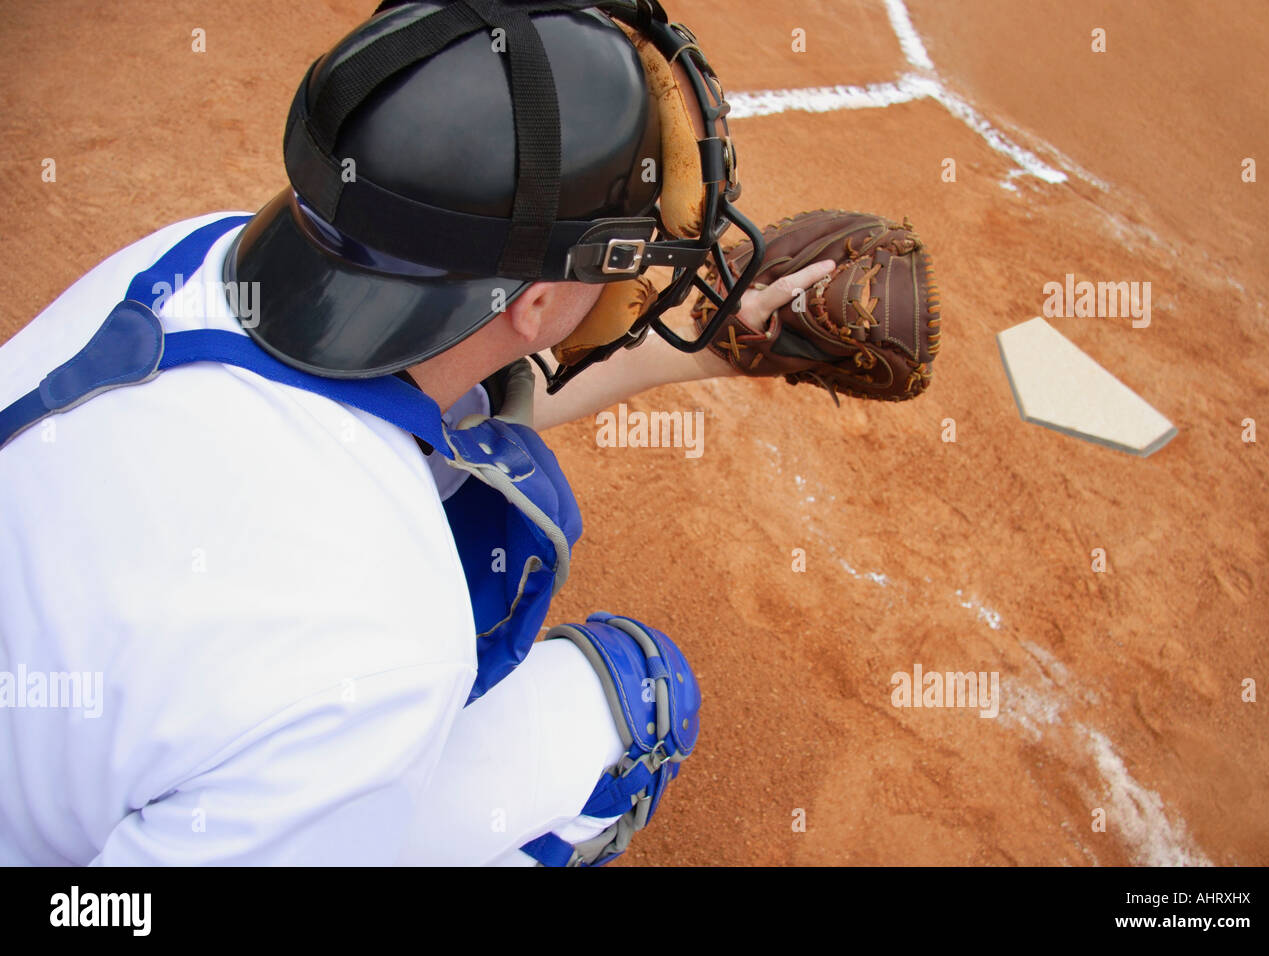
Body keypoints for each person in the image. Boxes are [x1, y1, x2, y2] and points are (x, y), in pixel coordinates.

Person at [0, 0, 833, 865]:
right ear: (539, 304)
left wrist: (718, 352)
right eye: (626, 245)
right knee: (638, 702)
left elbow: (458, 378)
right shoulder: (385, 646)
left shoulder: (199, 258)